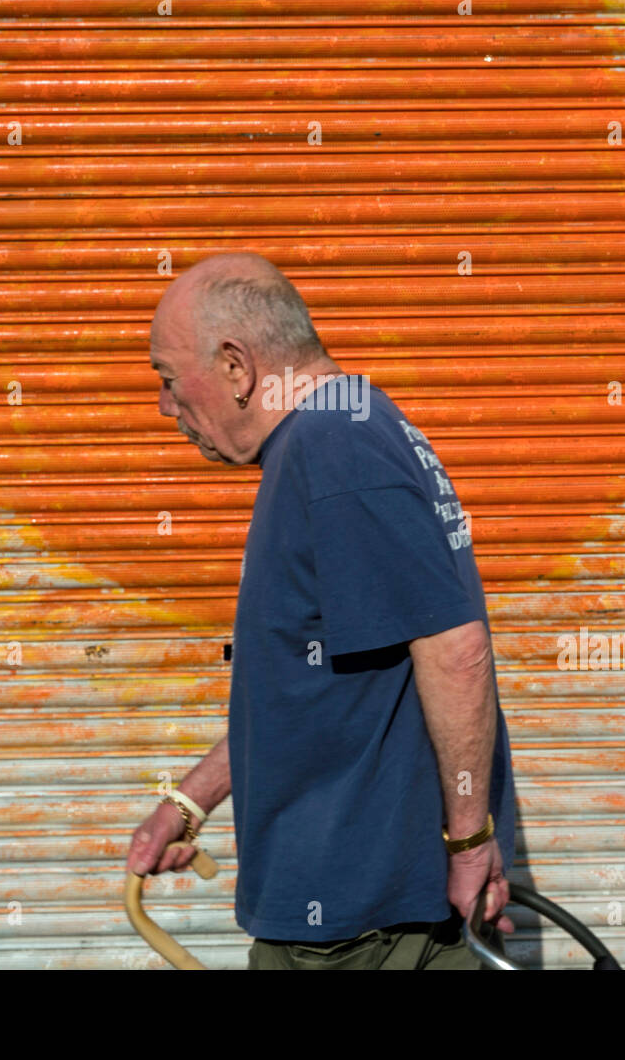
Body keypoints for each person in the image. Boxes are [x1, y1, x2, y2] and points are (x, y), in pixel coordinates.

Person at [125, 252, 518, 969]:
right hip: (348, 920)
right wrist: (191, 798)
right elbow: (324, 687)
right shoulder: (345, 427)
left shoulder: (333, 446)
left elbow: (454, 647)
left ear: (237, 366)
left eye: (168, 377)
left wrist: (466, 842)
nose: (165, 405)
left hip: (359, 930)